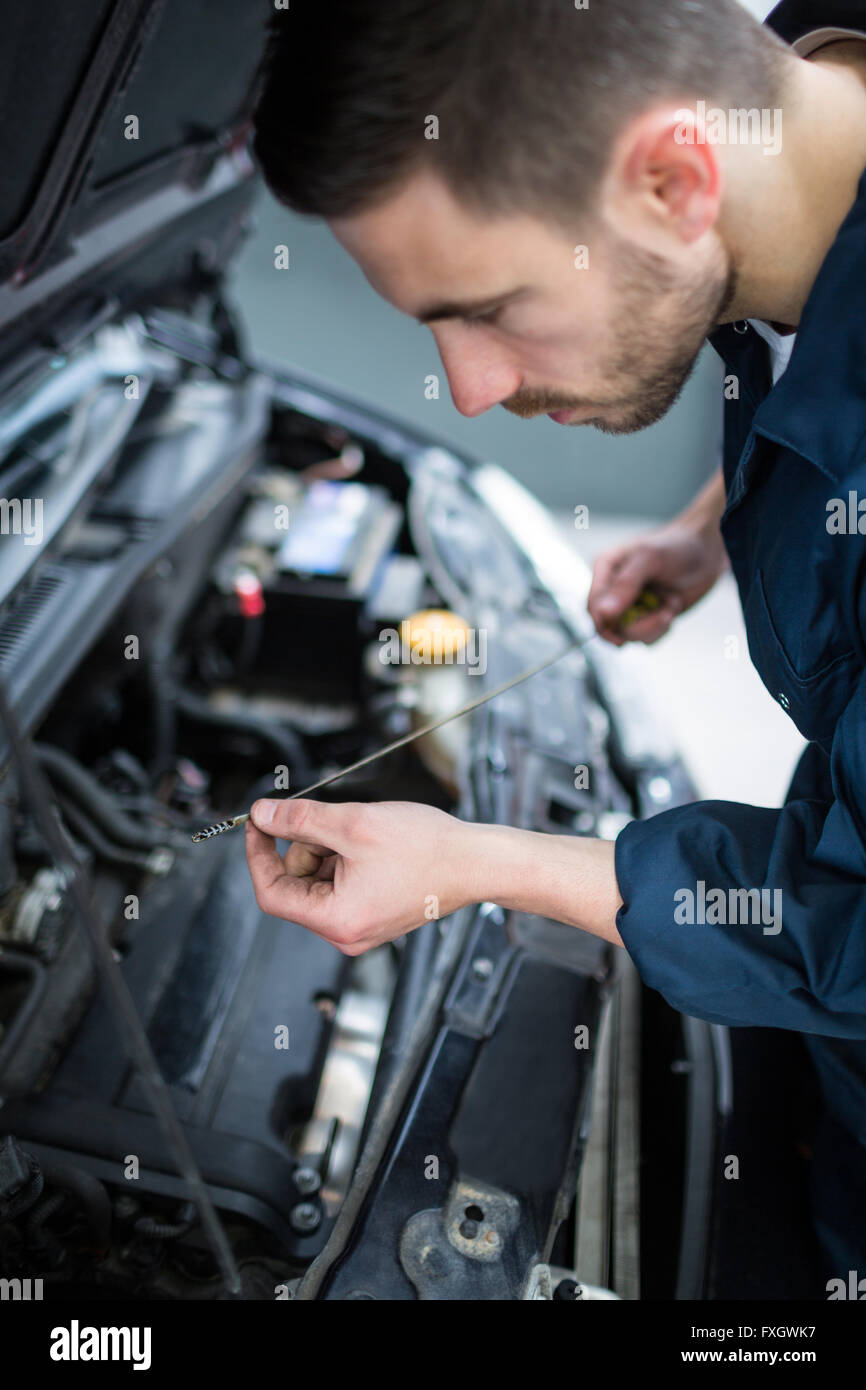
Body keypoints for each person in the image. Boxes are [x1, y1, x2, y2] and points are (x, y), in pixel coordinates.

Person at [249, 0, 866, 1280]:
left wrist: (475, 861)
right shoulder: (810, 78)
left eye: (486, 306)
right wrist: (719, 520)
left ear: (672, 178)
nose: (467, 388)